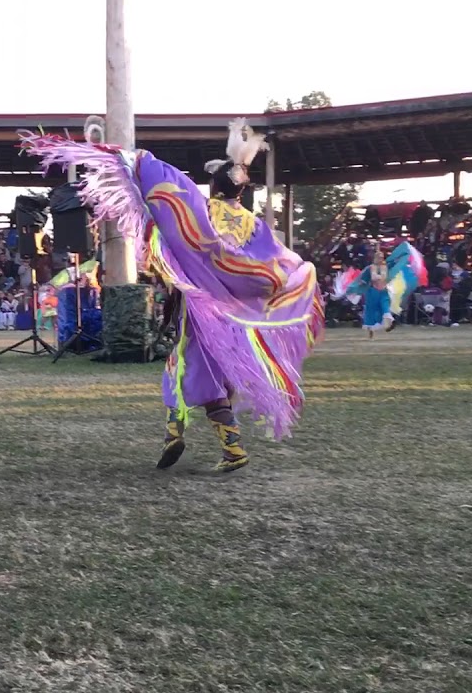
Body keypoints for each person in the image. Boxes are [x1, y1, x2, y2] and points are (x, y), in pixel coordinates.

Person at [22, 117, 321, 472]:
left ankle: (223, 446)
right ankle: (178, 436)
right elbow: (272, 267)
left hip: (198, 308)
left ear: (213, 186)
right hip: (233, 314)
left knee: (189, 370)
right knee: (199, 371)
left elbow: (178, 235)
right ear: (243, 191)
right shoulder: (256, 227)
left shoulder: (205, 213)